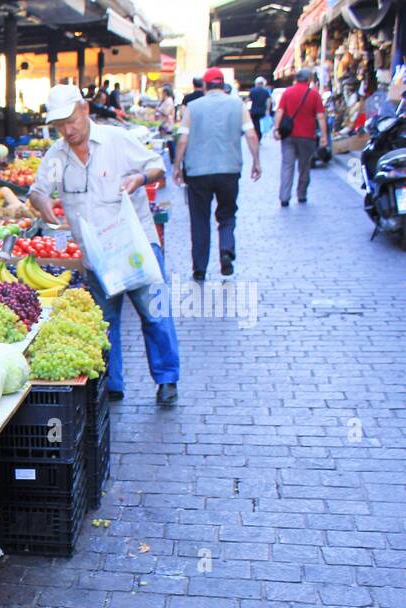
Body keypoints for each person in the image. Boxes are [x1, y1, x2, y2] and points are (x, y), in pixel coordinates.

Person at [29, 85, 181, 406]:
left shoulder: (116, 140)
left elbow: (156, 165)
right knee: (106, 321)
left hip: (135, 245)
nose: (67, 130)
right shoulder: (57, 156)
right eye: (59, 125)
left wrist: (139, 179)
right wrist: (43, 203)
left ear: (84, 109)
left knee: (155, 313)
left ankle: (167, 378)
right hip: (96, 255)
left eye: (71, 120)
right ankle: (113, 384)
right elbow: (38, 191)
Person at [173, 67, 261, 281]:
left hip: (197, 172)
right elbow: (251, 134)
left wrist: (177, 166)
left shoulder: (192, 107)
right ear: (222, 85)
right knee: (227, 214)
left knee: (199, 219)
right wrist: (256, 161)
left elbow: (182, 139)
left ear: (204, 86)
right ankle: (226, 250)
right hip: (229, 170)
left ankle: (200, 268)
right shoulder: (237, 104)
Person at [273, 68, 328, 206]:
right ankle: (301, 194)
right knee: (304, 166)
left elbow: (280, 111)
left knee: (287, 165)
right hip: (307, 136)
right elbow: (320, 116)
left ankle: (284, 197)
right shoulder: (314, 95)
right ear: (309, 79)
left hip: (288, 136)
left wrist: (276, 129)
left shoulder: (287, 92)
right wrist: (324, 136)